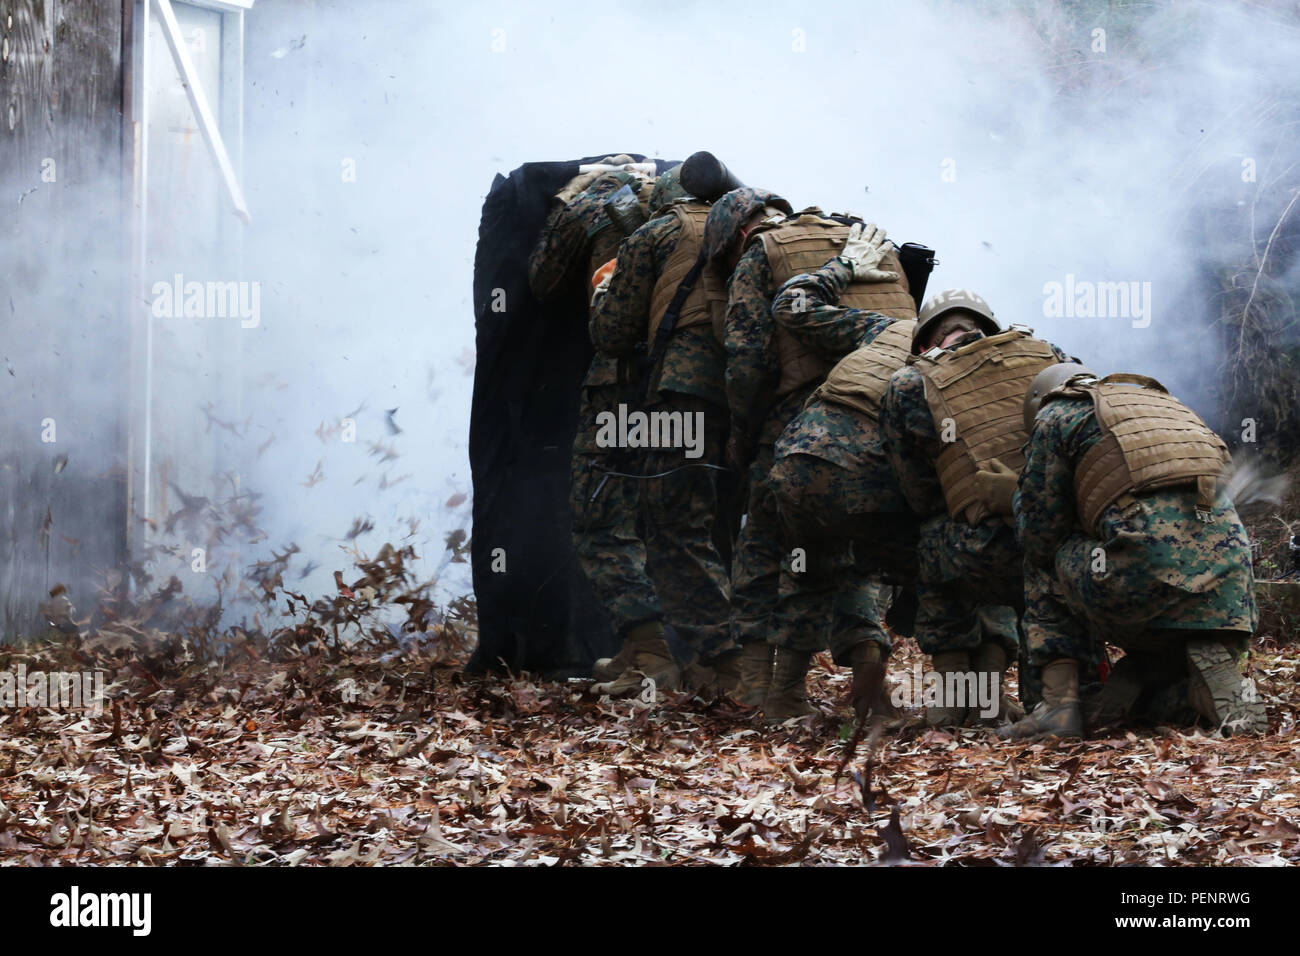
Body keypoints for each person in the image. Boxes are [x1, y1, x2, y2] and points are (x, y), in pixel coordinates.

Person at [586, 183, 792, 694]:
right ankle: (733, 661)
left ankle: (730, 666)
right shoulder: (784, 235)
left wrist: (601, 293)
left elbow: (612, 333)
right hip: (761, 399)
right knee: (728, 528)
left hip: (685, 397)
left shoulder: (657, 231)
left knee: (675, 529)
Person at [988, 365, 1265, 738]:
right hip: (1230, 591)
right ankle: (1180, 679)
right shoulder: (1169, 407)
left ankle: (1057, 705)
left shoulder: (1055, 414)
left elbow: (1041, 534)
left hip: (1141, 579)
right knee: (1160, 700)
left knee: (1046, 563)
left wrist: (1013, 498)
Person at [722, 208, 918, 716]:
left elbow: (747, 355)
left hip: (797, 431)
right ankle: (868, 693)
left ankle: (761, 690)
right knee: (852, 555)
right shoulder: (883, 251)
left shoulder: (766, 251)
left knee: (767, 552)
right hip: (873, 436)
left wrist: (741, 431)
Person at [880, 291, 1078, 726]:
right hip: (1062, 540)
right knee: (1030, 571)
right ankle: (1046, 700)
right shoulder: (1049, 355)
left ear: (926, 340)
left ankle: (952, 699)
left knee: (934, 539)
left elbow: (918, 488)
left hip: (980, 549)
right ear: (990, 325)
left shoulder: (911, 382)